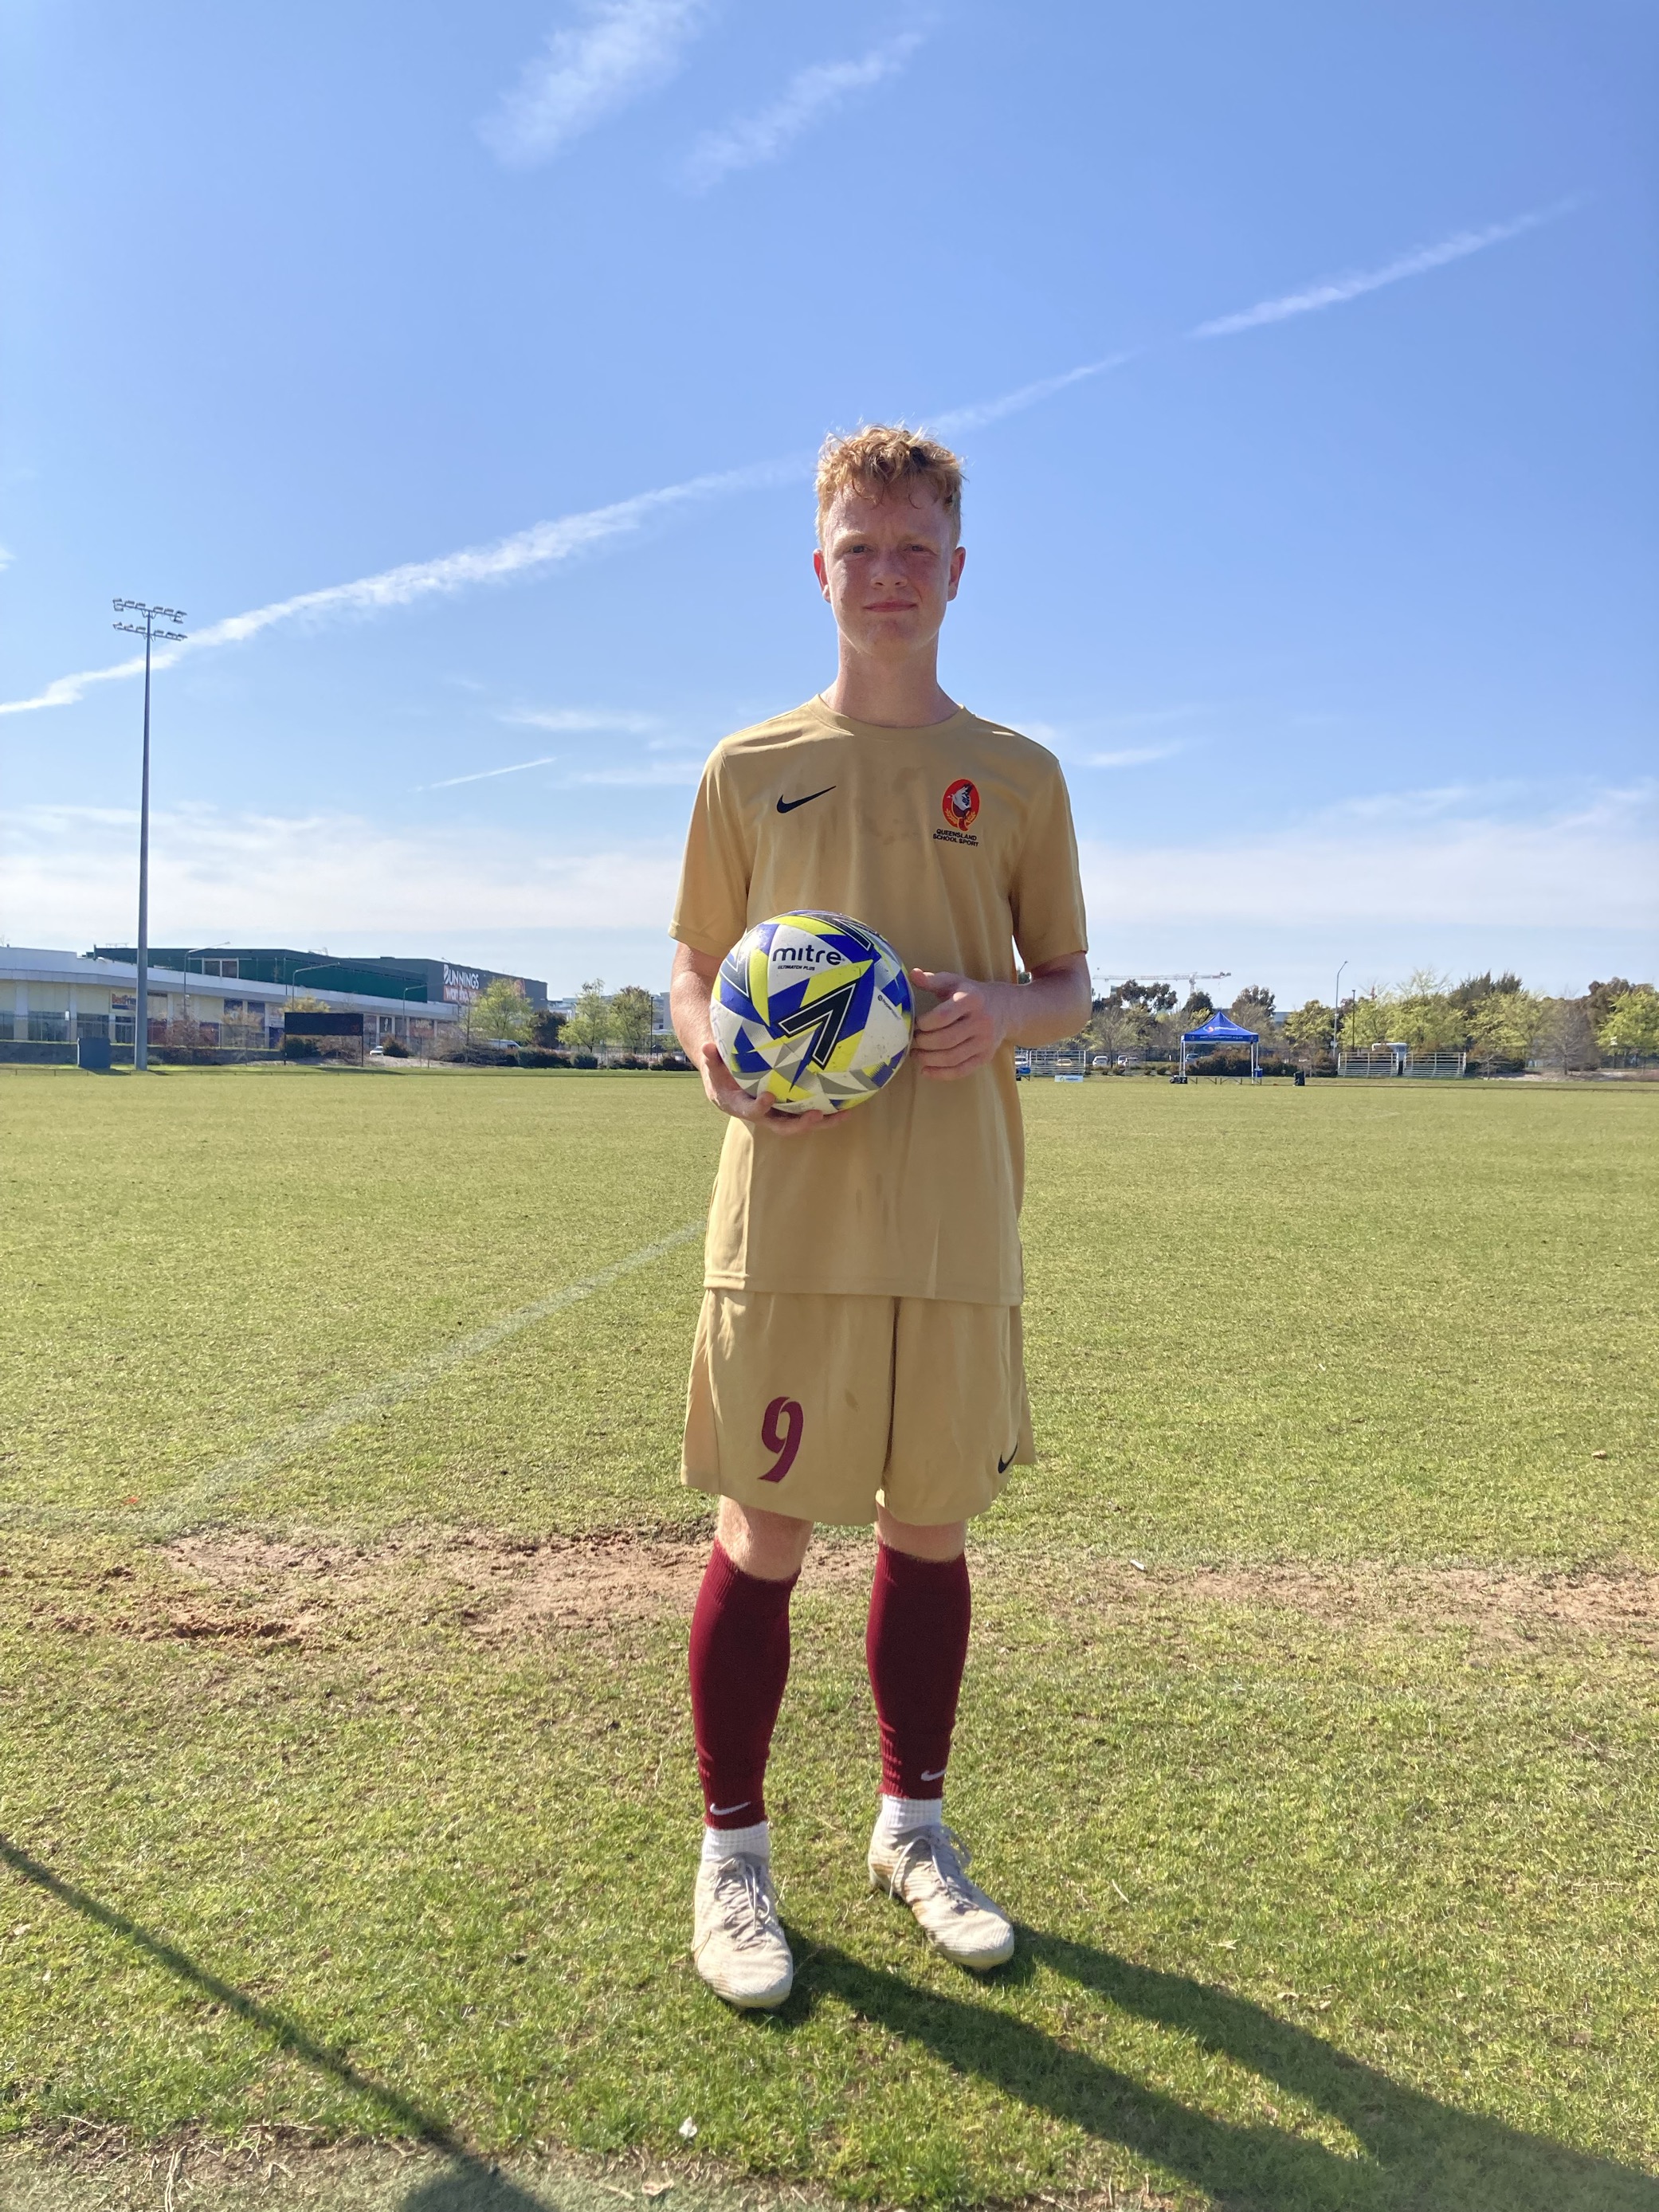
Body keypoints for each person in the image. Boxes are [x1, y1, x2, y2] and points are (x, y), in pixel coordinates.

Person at [669, 425, 1090, 2008]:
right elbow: (694, 965)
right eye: (863, 547)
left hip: (958, 1212)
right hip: (788, 1214)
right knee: (764, 1530)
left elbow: (1070, 983)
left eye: (918, 549)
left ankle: (912, 1829)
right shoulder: (745, 768)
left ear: (959, 570)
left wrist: (1000, 1007)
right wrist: (715, 1045)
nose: (891, 575)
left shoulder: (1025, 777)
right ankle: (734, 1857)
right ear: (820, 565)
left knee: (930, 1528)